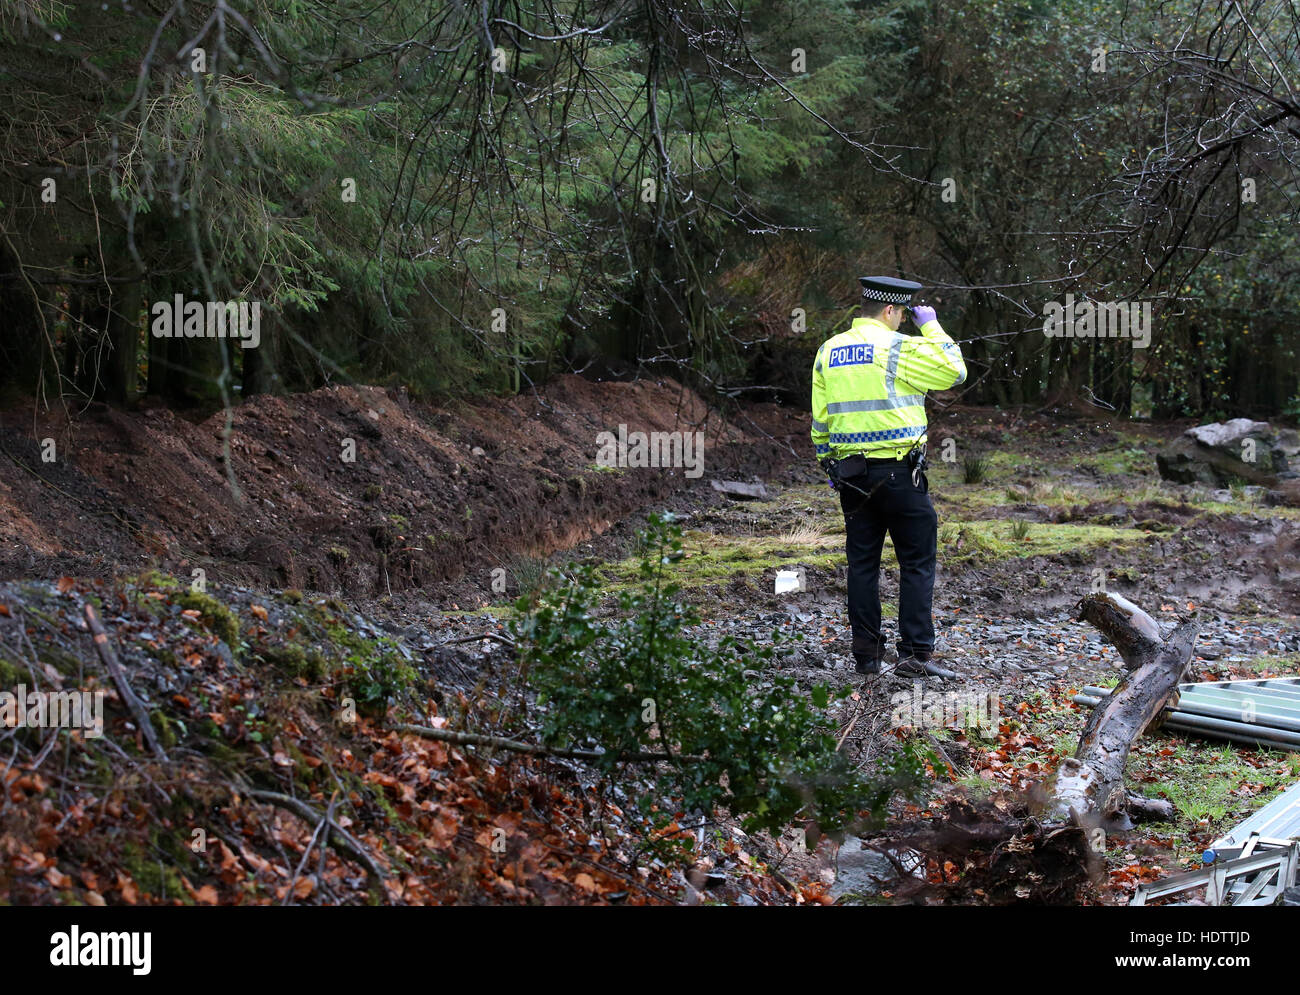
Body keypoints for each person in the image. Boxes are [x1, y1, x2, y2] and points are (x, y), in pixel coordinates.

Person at [811, 276, 967, 677]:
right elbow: (955, 371)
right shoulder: (899, 346)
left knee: (861, 564)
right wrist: (931, 325)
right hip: (899, 473)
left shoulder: (828, 351)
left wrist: (830, 465)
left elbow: (820, 422)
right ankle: (914, 655)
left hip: (851, 476)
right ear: (891, 310)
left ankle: (866, 656)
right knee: (916, 562)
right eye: (902, 314)